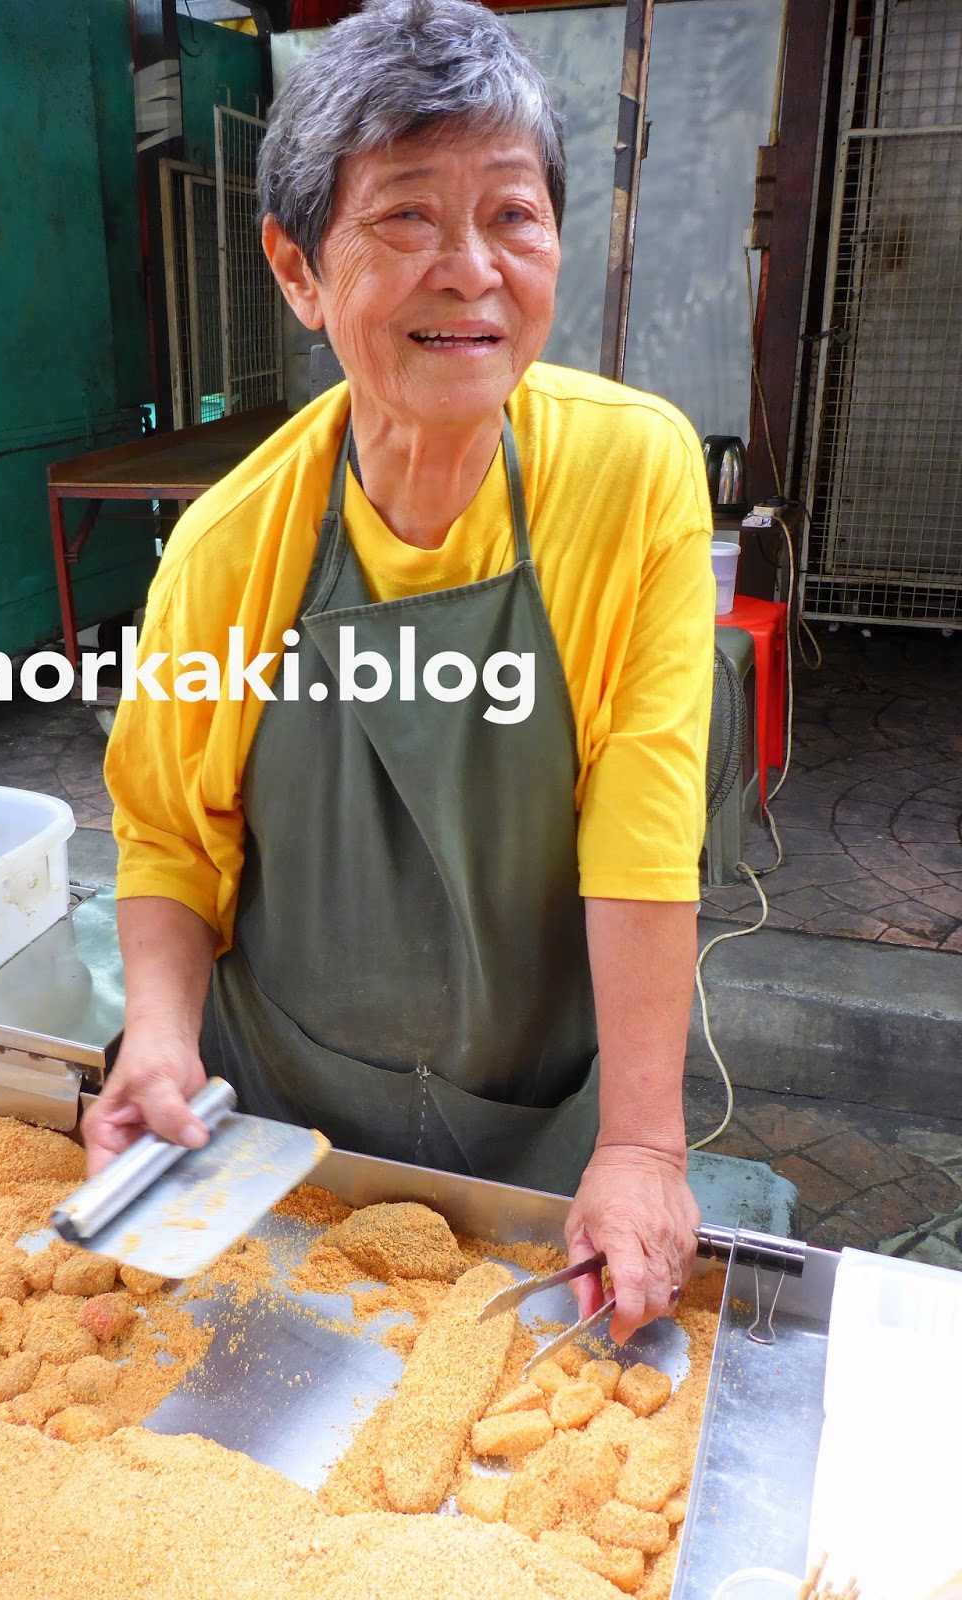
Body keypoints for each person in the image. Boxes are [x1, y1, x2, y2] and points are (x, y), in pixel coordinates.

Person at [86, 0, 714, 1343]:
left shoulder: (632, 473)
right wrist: (155, 1035)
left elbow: (644, 821)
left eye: (511, 214)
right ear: (301, 270)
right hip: (282, 1152)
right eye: (408, 218)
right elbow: (167, 839)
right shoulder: (228, 549)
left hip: (540, 1131)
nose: (470, 269)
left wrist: (648, 1146)